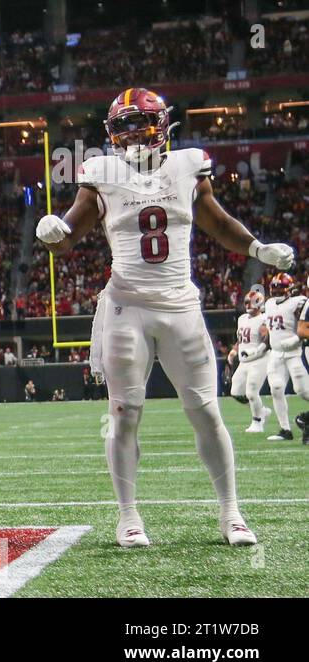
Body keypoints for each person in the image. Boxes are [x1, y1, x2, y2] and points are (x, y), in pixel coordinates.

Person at [36, 88, 293, 547]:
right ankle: (128, 516)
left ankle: (231, 512)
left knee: (206, 411)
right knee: (123, 412)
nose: (134, 134)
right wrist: (52, 231)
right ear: (112, 134)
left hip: (180, 304)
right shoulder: (101, 172)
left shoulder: (188, 164)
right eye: (125, 126)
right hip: (126, 305)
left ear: (163, 126)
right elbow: (68, 235)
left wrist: (257, 248)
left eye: (142, 124)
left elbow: (215, 220)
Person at [261, 273, 305, 441]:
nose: (276, 292)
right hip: (277, 354)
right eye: (274, 288)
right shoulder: (269, 303)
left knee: (303, 391)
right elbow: (271, 332)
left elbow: (305, 325)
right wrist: (261, 348)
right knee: (276, 389)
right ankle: (285, 430)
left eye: (280, 288)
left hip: (295, 352)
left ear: (289, 289)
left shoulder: (298, 302)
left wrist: (297, 338)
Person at [229, 287, 271, 434]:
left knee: (252, 392)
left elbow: (268, 340)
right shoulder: (242, 319)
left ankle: (257, 422)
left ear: (259, 303)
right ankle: (262, 411)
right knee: (235, 392)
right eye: (246, 302)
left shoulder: (263, 319)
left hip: (259, 359)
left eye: (251, 302)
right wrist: (234, 351)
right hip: (244, 361)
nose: (247, 305)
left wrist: (257, 350)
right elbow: (241, 340)